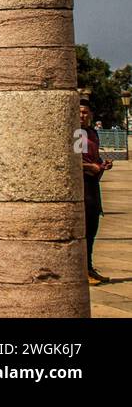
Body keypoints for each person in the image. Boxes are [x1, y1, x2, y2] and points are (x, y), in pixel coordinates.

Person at [80, 98, 113, 284]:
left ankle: (90, 267)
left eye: (85, 112)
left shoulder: (92, 133)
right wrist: (89, 166)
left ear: (90, 115)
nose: (82, 116)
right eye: (79, 112)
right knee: (85, 228)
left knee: (92, 228)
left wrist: (101, 164)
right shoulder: (78, 134)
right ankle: (83, 269)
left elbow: (94, 157)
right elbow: (76, 160)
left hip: (93, 184)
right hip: (83, 184)